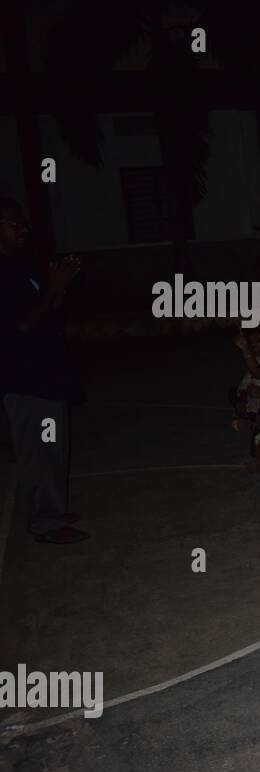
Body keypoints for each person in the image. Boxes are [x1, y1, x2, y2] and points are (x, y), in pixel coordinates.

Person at [0, 198, 86, 544]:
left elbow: (48, 310)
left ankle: (52, 509)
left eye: (23, 224)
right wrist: (53, 287)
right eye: (13, 224)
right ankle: (45, 521)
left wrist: (60, 286)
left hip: (47, 373)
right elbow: (21, 325)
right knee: (37, 449)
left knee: (53, 446)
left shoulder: (22, 266)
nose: (22, 230)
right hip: (24, 378)